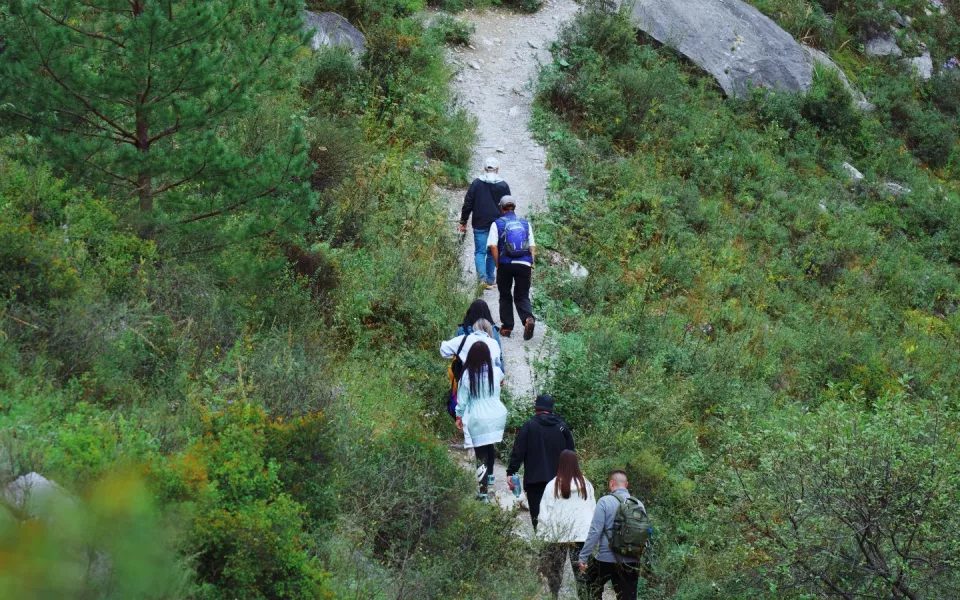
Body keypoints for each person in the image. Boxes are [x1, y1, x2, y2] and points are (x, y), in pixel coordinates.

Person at [506, 394, 575, 529]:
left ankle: (540, 542)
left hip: (535, 481)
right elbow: (571, 453)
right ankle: (555, 546)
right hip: (559, 481)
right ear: (551, 409)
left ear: (536, 409)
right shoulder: (562, 427)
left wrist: (511, 471)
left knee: (537, 518)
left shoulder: (529, 426)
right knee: (556, 517)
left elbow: (518, 451)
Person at [538, 450, 596, 600]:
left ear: (560, 464)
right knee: (582, 576)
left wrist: (541, 538)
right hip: (582, 536)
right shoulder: (586, 485)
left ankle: (554, 597)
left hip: (557, 536)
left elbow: (544, 514)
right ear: (576, 464)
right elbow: (593, 510)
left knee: (555, 575)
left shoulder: (552, 486)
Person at [578, 471, 643, 600]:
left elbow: (595, 531)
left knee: (589, 587)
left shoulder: (604, 502)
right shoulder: (638, 504)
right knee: (628, 597)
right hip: (631, 561)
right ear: (627, 484)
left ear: (611, 483)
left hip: (606, 559)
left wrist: (583, 557)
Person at [455, 342, 507, 501]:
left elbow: (462, 400)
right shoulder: (496, 371)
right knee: (489, 442)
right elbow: (501, 382)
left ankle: (483, 492)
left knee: (480, 452)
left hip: (478, 415)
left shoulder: (467, 374)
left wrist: (459, 416)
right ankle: (490, 475)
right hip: (497, 414)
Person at [487, 195, 536, 340]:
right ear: (514, 207)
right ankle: (528, 319)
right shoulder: (525, 223)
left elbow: (493, 246)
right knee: (522, 295)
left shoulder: (497, 223)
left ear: (501, 208)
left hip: (506, 264)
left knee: (505, 295)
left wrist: (497, 263)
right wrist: (530, 262)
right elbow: (532, 245)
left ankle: (507, 328)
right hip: (524, 264)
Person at [459, 157, 511, 290]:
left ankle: (482, 280)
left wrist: (463, 221)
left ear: (484, 169)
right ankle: (490, 279)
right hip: (497, 224)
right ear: (497, 170)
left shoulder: (476, 183)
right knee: (492, 250)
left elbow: (468, 203)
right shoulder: (503, 185)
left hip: (479, 222)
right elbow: (508, 206)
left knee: (480, 252)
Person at [455, 299, 504, 372]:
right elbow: (498, 354)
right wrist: (501, 372)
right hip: (488, 372)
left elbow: (457, 352)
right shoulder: (492, 330)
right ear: (487, 313)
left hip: (467, 371)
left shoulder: (462, 330)